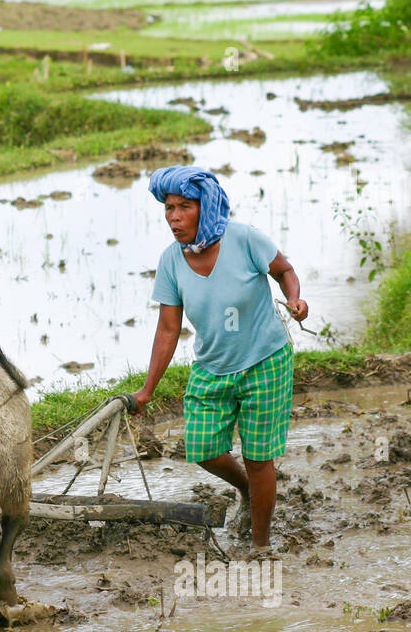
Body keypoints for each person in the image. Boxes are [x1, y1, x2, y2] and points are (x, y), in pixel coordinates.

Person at [129, 166, 308, 555]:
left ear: (206, 208)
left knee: (260, 459)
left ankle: (260, 544)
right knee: (202, 446)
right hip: (212, 367)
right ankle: (245, 487)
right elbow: (167, 329)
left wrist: (295, 299)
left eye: (184, 207)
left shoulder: (243, 239)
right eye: (168, 208)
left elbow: (284, 270)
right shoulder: (172, 261)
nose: (174, 218)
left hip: (265, 361)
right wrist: (146, 390)